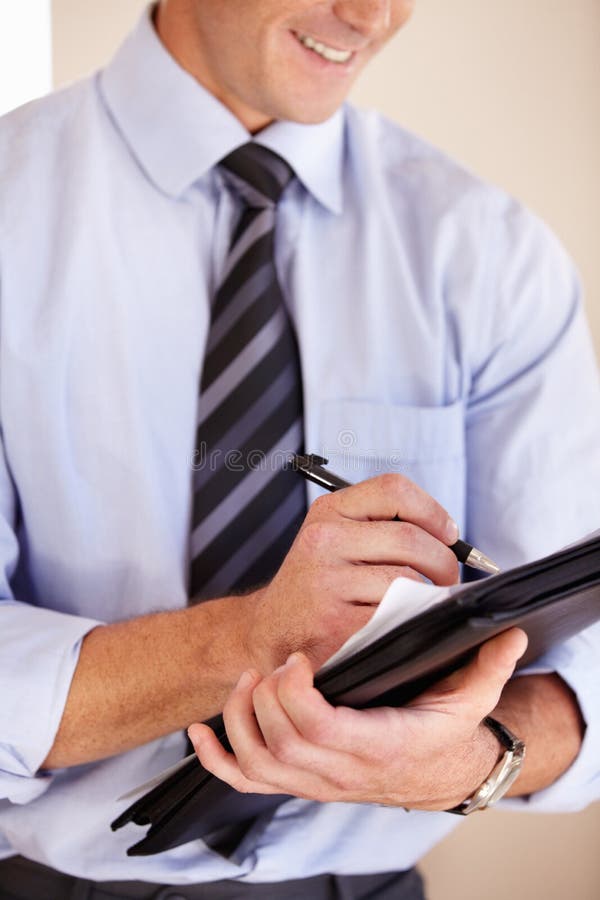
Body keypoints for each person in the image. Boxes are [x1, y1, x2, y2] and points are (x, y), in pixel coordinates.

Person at [0, 1, 599, 897]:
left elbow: (581, 672)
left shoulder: (490, 254)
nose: (370, 15)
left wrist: (447, 763)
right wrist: (251, 637)